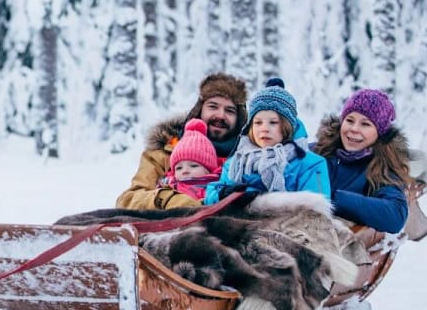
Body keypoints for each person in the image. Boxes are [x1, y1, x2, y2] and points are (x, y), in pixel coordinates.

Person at [116, 72, 248, 209]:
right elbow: (128, 200)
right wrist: (169, 200)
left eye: (230, 110)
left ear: (239, 119)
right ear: (199, 110)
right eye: (213, 106)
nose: (221, 115)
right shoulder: (164, 152)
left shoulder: (248, 158)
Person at [204, 78, 330, 204]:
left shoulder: (310, 164)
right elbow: (211, 195)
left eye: (273, 122)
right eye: (258, 122)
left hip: (289, 222)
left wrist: (267, 202)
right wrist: (222, 195)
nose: (264, 129)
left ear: (287, 126)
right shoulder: (236, 162)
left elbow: (316, 209)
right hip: (239, 222)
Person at [312, 88, 410, 233]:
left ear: (380, 133)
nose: (354, 129)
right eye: (349, 120)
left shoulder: (382, 167)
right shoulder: (318, 152)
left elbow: (395, 215)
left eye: (365, 124)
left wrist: (332, 197)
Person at [159, 119, 222, 201]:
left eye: (193, 166)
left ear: (208, 170)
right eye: (179, 168)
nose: (185, 170)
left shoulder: (214, 188)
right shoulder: (168, 185)